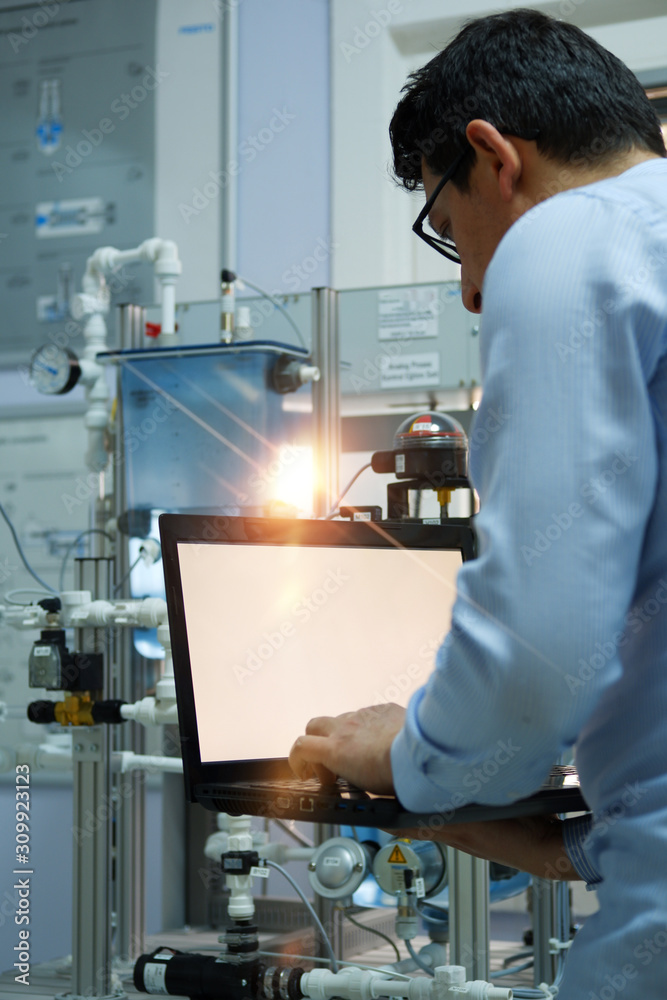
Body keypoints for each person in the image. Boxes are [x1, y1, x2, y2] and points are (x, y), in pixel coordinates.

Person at [289, 8, 667, 997]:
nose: (468, 289)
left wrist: (417, 756)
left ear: (491, 154)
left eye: (452, 233)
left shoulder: (568, 238)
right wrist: (572, 843)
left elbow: (538, 660)